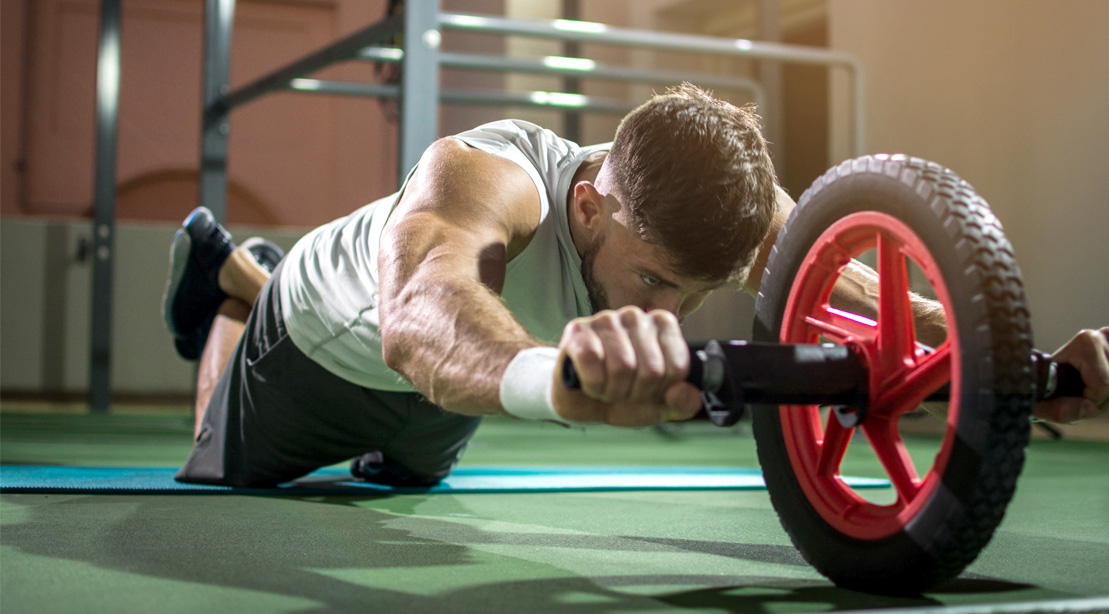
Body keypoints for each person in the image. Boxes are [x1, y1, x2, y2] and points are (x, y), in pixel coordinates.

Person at [162, 84, 1108, 488]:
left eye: (696, 294)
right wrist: (561, 383)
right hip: (327, 348)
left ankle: (250, 282)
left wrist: (1027, 367)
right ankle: (234, 288)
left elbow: (881, 303)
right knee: (221, 469)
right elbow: (420, 323)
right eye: (654, 280)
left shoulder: (730, 212)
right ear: (587, 208)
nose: (668, 319)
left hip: (460, 384)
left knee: (405, 480)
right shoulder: (485, 175)